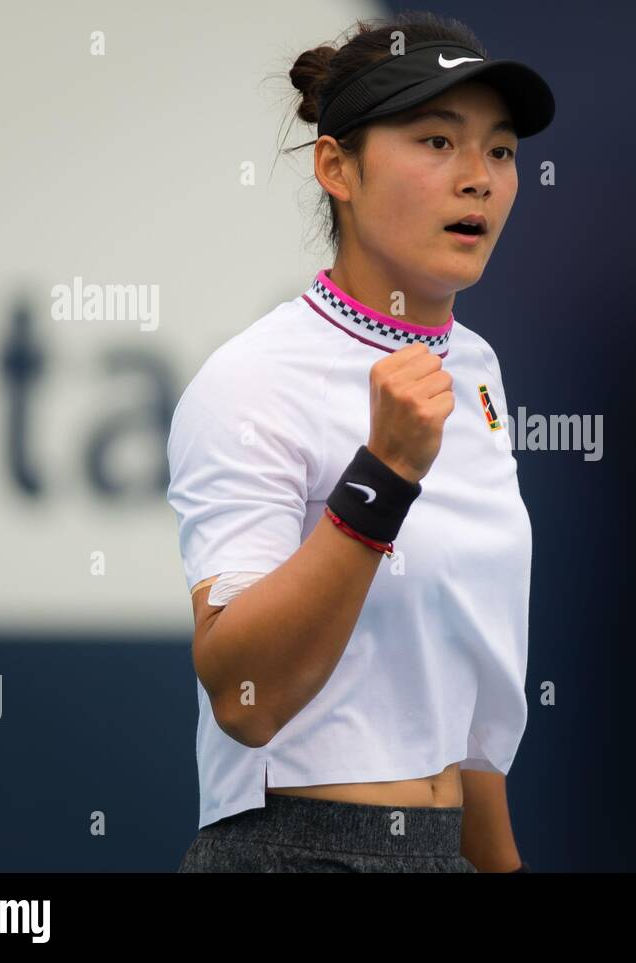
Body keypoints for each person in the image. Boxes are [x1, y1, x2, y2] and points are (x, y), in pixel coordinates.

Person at [167, 11, 553, 872]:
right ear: (336, 167)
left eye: (499, 150)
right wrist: (382, 476)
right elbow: (243, 695)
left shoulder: (478, 372)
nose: (479, 179)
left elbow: (466, 692)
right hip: (289, 850)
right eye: (435, 141)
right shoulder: (250, 379)